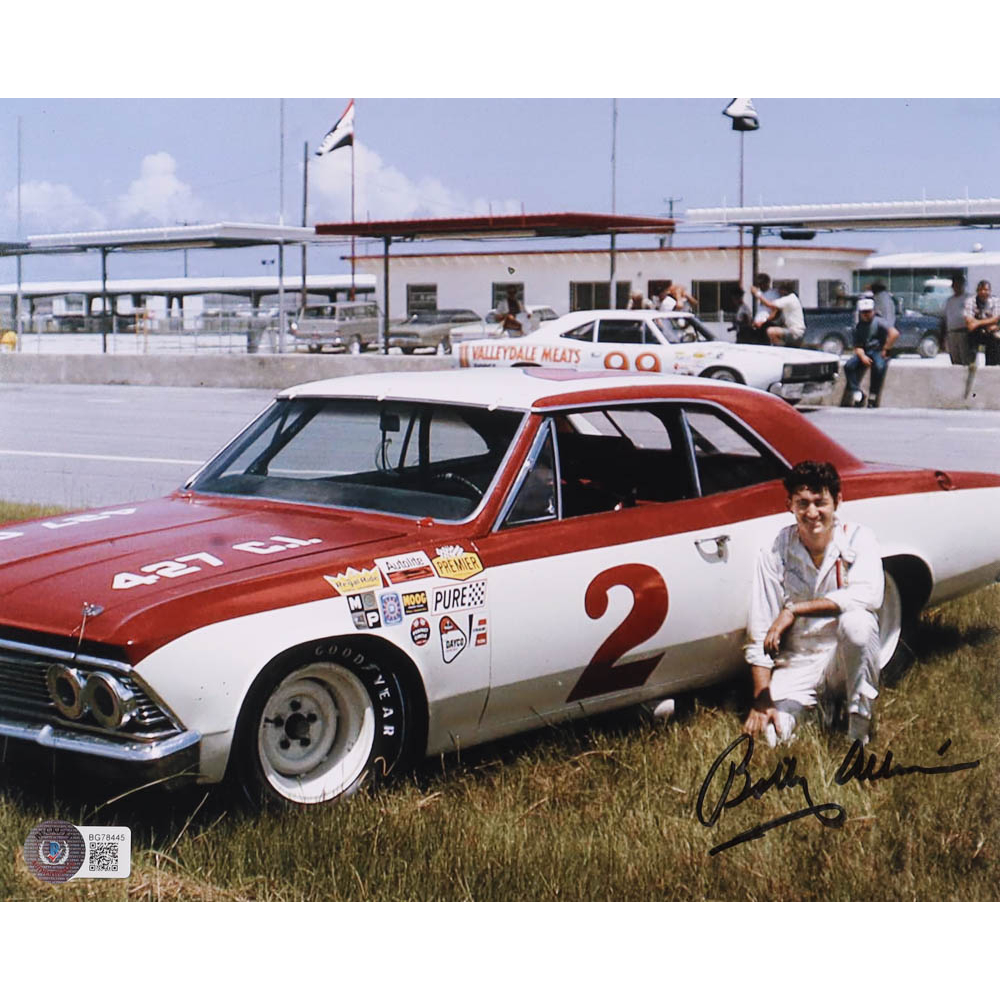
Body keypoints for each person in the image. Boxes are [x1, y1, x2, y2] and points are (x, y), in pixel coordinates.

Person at [743, 460, 883, 748]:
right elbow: (760, 626)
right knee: (773, 737)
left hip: (841, 656)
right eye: (802, 503)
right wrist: (762, 697)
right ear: (789, 505)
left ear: (838, 501)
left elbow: (869, 596)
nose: (812, 513)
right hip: (799, 661)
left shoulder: (859, 538)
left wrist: (794, 609)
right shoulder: (775, 548)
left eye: (820, 502)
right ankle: (826, 710)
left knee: (858, 623)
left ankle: (859, 729)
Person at [841, 297, 899, 407]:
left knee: (878, 367)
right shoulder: (859, 326)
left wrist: (886, 348)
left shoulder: (879, 322)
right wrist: (862, 356)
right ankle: (857, 392)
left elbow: (894, 333)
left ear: (873, 311)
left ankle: (873, 396)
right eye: (864, 312)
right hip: (866, 352)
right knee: (849, 366)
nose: (866, 314)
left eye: (868, 311)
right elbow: (858, 346)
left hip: (878, 351)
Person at [751, 280, 806, 346]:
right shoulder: (791, 299)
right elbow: (775, 314)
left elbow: (769, 305)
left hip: (795, 333)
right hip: (796, 332)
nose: (779, 293)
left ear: (785, 291)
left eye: (780, 290)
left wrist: (757, 294)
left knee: (770, 331)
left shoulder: (788, 299)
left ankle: (781, 349)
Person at [965, 279, 1000, 367]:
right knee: (970, 340)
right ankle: (972, 366)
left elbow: (995, 319)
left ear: (990, 291)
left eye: (986, 290)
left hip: (990, 332)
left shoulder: (995, 301)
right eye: (981, 290)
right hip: (975, 332)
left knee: (995, 342)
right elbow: (969, 321)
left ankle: (991, 367)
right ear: (977, 291)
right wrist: (987, 322)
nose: (983, 292)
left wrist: (977, 323)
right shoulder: (970, 301)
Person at [943, 276, 973, 367]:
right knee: (955, 360)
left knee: (966, 360)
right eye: (954, 285)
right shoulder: (949, 300)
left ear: (963, 285)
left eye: (959, 284)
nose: (956, 287)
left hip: (964, 332)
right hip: (952, 333)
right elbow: (945, 318)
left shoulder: (969, 298)